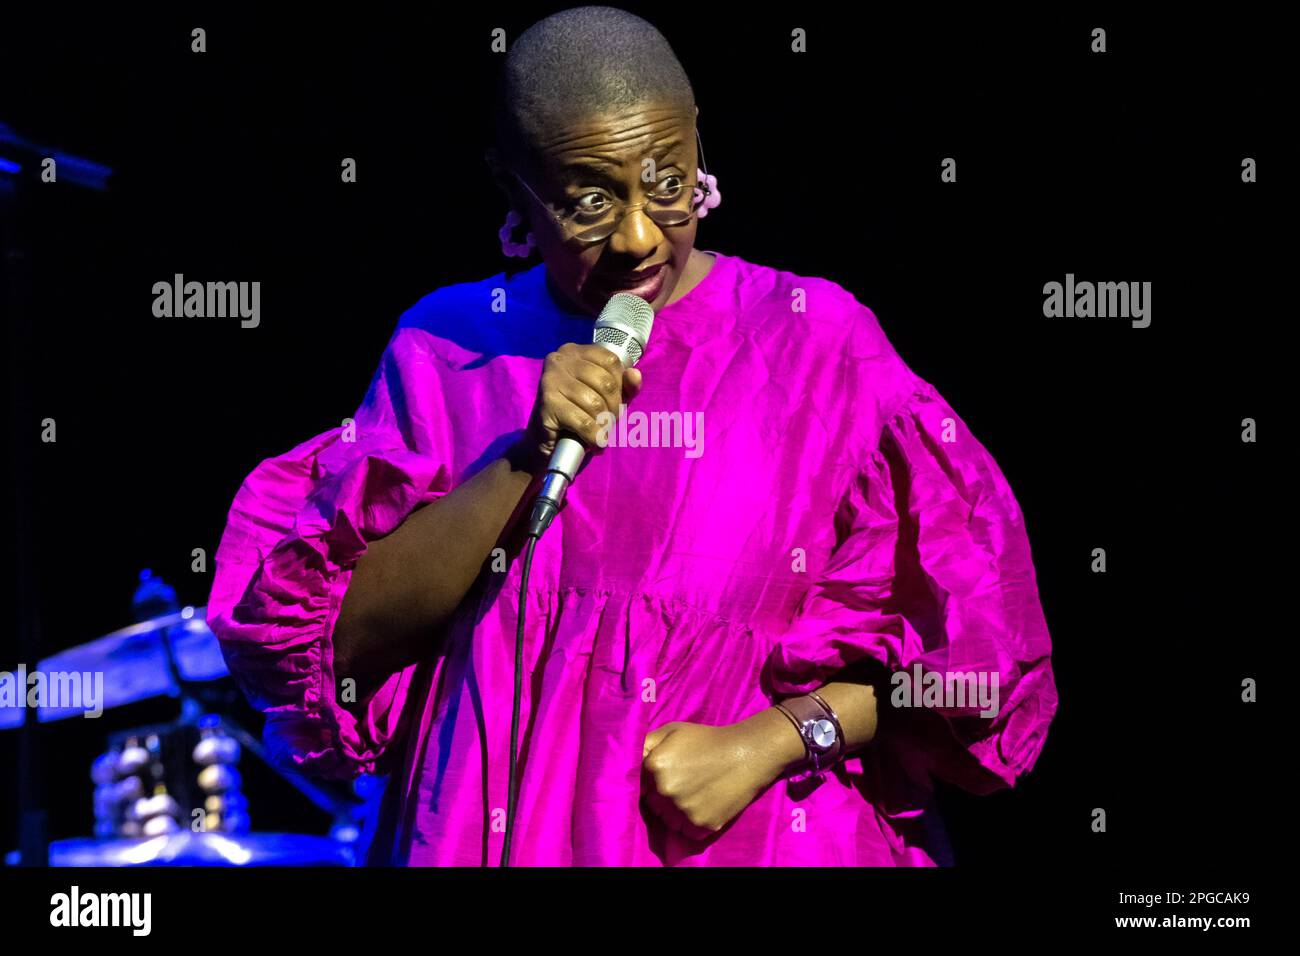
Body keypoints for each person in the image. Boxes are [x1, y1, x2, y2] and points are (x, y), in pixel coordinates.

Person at [207, 5, 1057, 866]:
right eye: (589, 200)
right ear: (513, 193)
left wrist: (770, 741)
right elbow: (337, 645)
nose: (640, 236)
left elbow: (968, 648)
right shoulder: (448, 345)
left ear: (698, 152)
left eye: (667, 184)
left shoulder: (815, 338)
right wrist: (522, 456)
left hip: (753, 839)